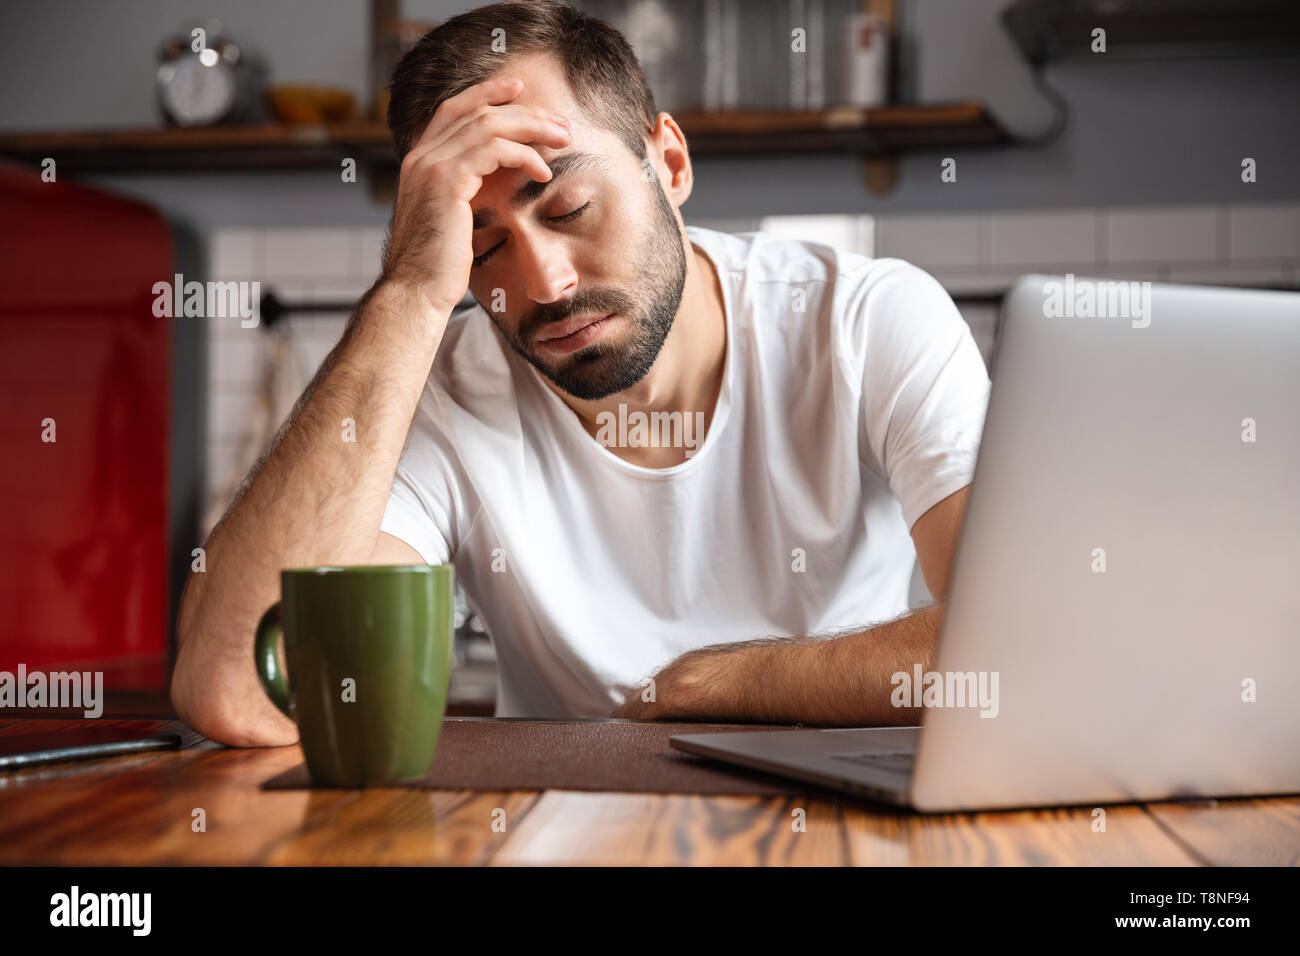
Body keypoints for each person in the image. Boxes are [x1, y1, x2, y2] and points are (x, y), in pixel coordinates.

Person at [171, 1, 989, 746]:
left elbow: (1018, 637)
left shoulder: (866, 320)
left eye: (569, 210)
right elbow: (239, 693)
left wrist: (721, 683)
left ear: (668, 165)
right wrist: (411, 291)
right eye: (483, 246)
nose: (547, 285)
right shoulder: (437, 390)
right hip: (556, 820)